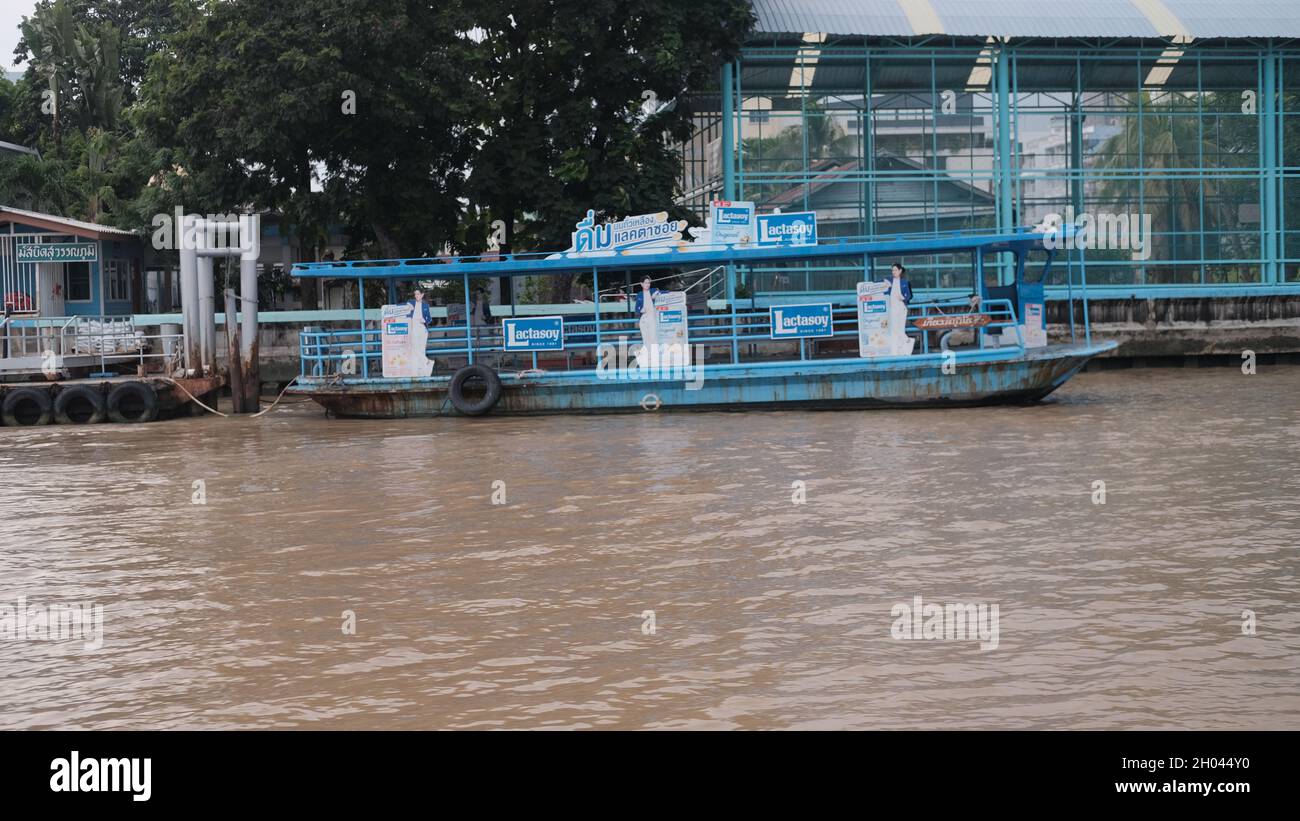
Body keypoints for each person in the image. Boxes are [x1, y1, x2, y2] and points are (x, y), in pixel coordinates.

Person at [883, 263, 915, 356]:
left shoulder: (904, 282)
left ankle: (902, 351)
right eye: (892, 270)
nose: (893, 272)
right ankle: (907, 341)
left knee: (900, 329)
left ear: (900, 271)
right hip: (892, 307)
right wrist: (885, 283)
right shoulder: (889, 279)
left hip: (901, 307)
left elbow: (909, 296)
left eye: (895, 270)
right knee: (894, 329)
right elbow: (877, 282)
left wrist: (903, 298)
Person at [633, 276, 661, 366]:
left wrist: (656, 293)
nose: (647, 284)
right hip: (644, 319)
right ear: (641, 284)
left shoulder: (653, 290)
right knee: (646, 340)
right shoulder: (639, 294)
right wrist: (641, 310)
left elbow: (662, 292)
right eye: (645, 283)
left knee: (653, 339)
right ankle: (646, 359)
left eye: (648, 283)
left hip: (652, 319)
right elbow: (637, 309)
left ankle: (651, 359)